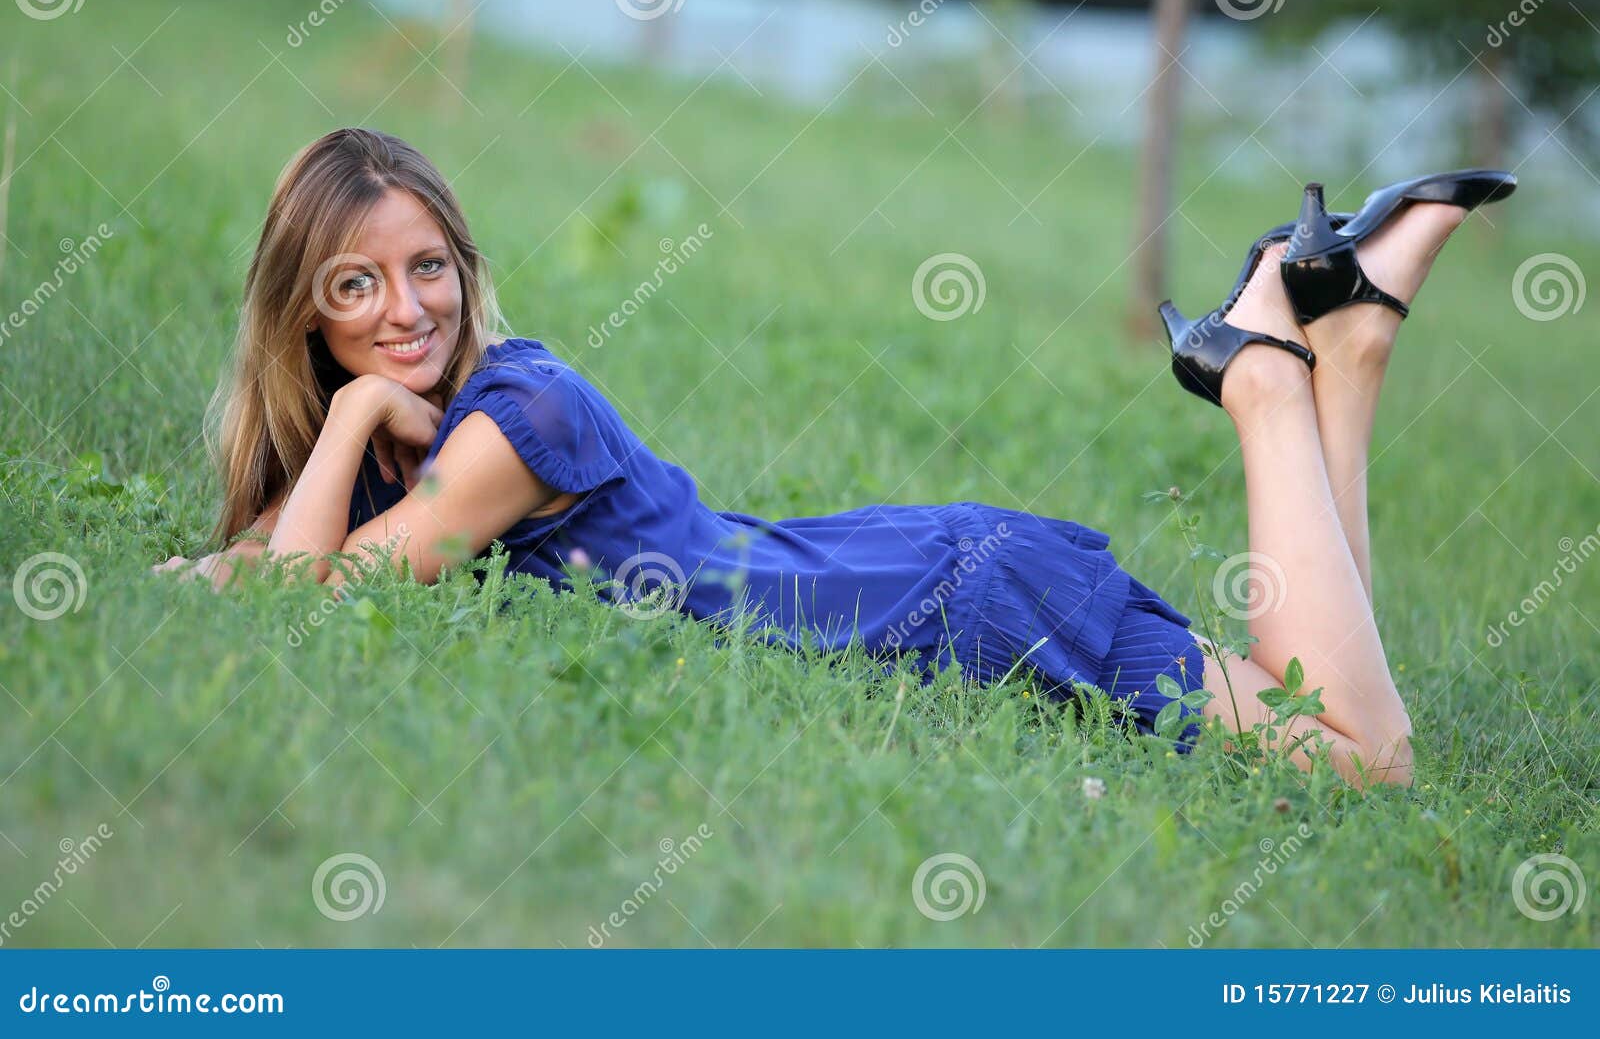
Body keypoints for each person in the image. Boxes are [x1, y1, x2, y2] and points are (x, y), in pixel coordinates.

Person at [154, 128, 1515, 791]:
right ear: (304, 315)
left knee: (1360, 762)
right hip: (925, 576)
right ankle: (1350, 351)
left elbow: (321, 596)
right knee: (1318, 701)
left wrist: (339, 425)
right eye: (358, 286)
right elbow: (249, 564)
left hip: (956, 608)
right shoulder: (432, 433)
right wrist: (233, 541)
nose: (408, 310)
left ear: (467, 265)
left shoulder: (518, 415)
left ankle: (1266, 373)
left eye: (430, 268)